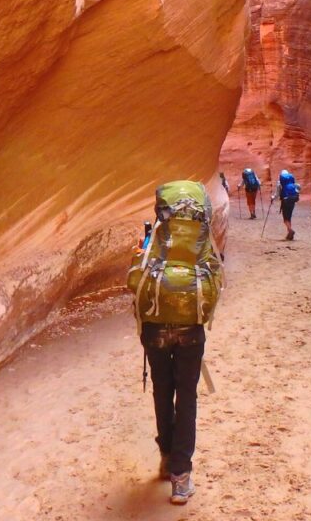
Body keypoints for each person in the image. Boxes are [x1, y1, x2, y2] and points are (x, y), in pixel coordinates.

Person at [128, 180, 224, 505]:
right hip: (190, 329)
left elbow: (134, 278)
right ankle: (181, 478)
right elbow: (217, 279)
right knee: (186, 398)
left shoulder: (155, 235)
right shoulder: (202, 239)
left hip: (155, 327)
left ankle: (167, 457)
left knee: (162, 391)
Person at [276, 169, 301, 240]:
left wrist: (273, 197)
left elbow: (277, 194)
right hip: (293, 200)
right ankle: (289, 234)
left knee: (285, 219)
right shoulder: (292, 182)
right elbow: (298, 188)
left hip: (285, 200)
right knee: (289, 217)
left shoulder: (280, 183)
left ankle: (290, 230)